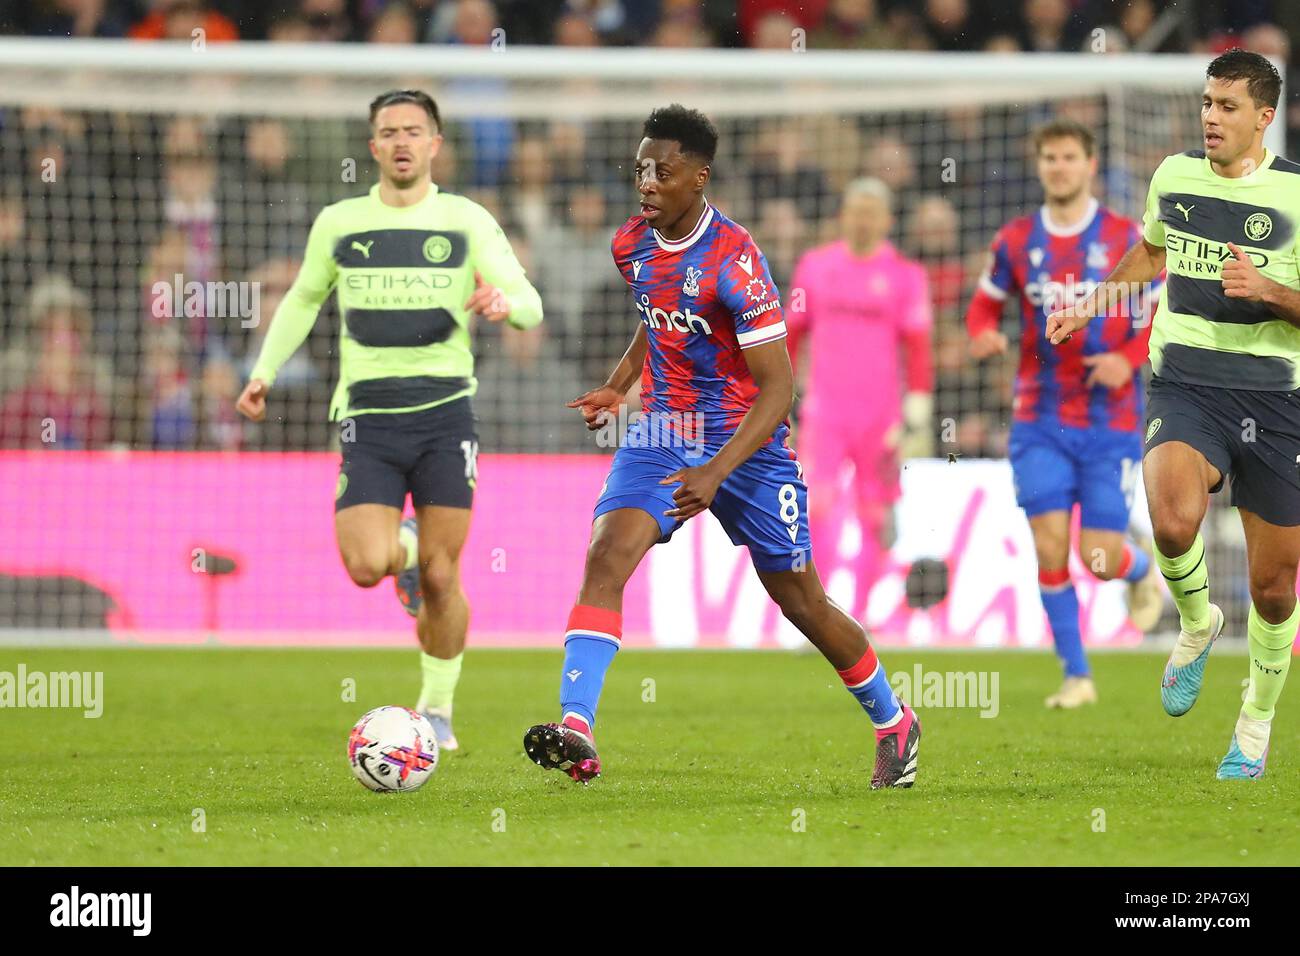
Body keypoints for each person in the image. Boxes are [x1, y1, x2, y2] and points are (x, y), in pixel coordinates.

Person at [521, 105, 919, 789]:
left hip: (747, 443)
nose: (646, 183)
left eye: (663, 172)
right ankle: (577, 729)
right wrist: (621, 386)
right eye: (641, 169)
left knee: (802, 602)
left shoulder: (737, 262)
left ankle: (894, 722)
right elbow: (659, 315)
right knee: (606, 553)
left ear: (699, 177)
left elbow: (778, 390)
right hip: (664, 431)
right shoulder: (631, 244)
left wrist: (717, 469)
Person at [235, 89, 543, 752]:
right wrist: (261, 372)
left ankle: (436, 709)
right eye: (388, 132)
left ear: (435, 144)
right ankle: (400, 548)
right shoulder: (340, 222)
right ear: (373, 147)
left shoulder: (466, 220)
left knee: (442, 574)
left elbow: (530, 304)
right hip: (367, 418)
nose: (401, 141)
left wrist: (501, 302)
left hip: (444, 416)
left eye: (414, 130)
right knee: (367, 564)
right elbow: (301, 300)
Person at [1048, 50, 1300, 778]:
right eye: (1206, 102)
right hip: (1184, 382)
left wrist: (1274, 293)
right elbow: (1151, 253)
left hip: (1278, 401)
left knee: (1275, 588)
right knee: (1172, 521)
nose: (1211, 117)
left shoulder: (1294, 196)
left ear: (1264, 117)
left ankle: (1254, 721)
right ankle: (1195, 622)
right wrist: (1089, 304)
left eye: (1227, 106)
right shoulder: (1173, 176)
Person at [967, 118, 1163, 709]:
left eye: (1069, 156)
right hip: (1039, 419)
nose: (1059, 166)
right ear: (1039, 165)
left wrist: (1129, 360)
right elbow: (981, 309)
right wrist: (982, 337)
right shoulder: (1015, 240)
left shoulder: (1127, 235)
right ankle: (1077, 676)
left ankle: (1137, 570)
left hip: (1110, 419)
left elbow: (1158, 315)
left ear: (1090, 164)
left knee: (1097, 557)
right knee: (1051, 548)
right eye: (1049, 157)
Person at [788, 178, 934, 620]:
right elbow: (791, 335)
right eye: (855, 210)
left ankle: (863, 615)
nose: (863, 220)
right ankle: (819, 611)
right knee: (817, 507)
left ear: (888, 220)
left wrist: (918, 410)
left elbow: (919, 348)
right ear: (842, 216)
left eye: (872, 212)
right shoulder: (814, 268)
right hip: (825, 412)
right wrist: (781, 395)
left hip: (882, 417)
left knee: (875, 514)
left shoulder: (906, 276)